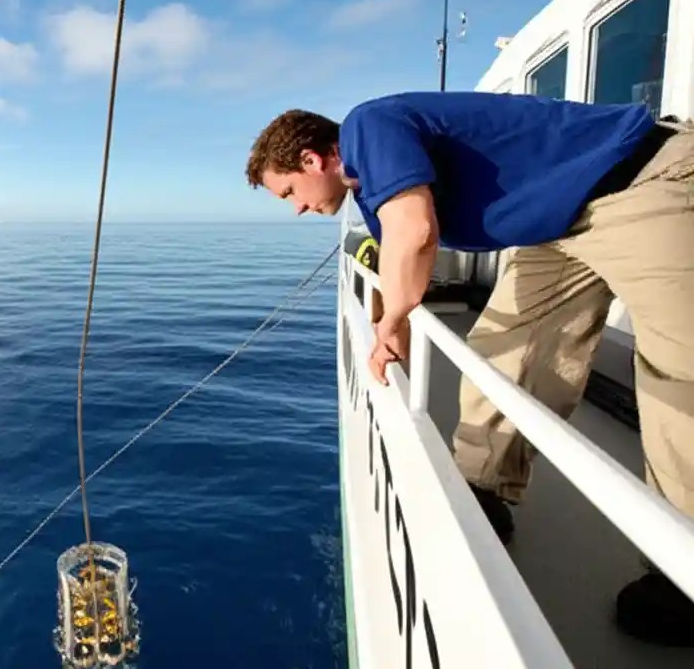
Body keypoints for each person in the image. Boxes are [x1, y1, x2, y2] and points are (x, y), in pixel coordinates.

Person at [243, 91, 694, 646]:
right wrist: (395, 325)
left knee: (682, 376)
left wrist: (391, 322)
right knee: (503, 350)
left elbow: (416, 230)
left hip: (641, 182)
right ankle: (485, 486)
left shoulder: (367, 126)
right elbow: (400, 263)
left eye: (289, 191)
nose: (296, 208)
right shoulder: (369, 190)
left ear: (314, 160)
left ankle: (683, 576)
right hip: (560, 222)